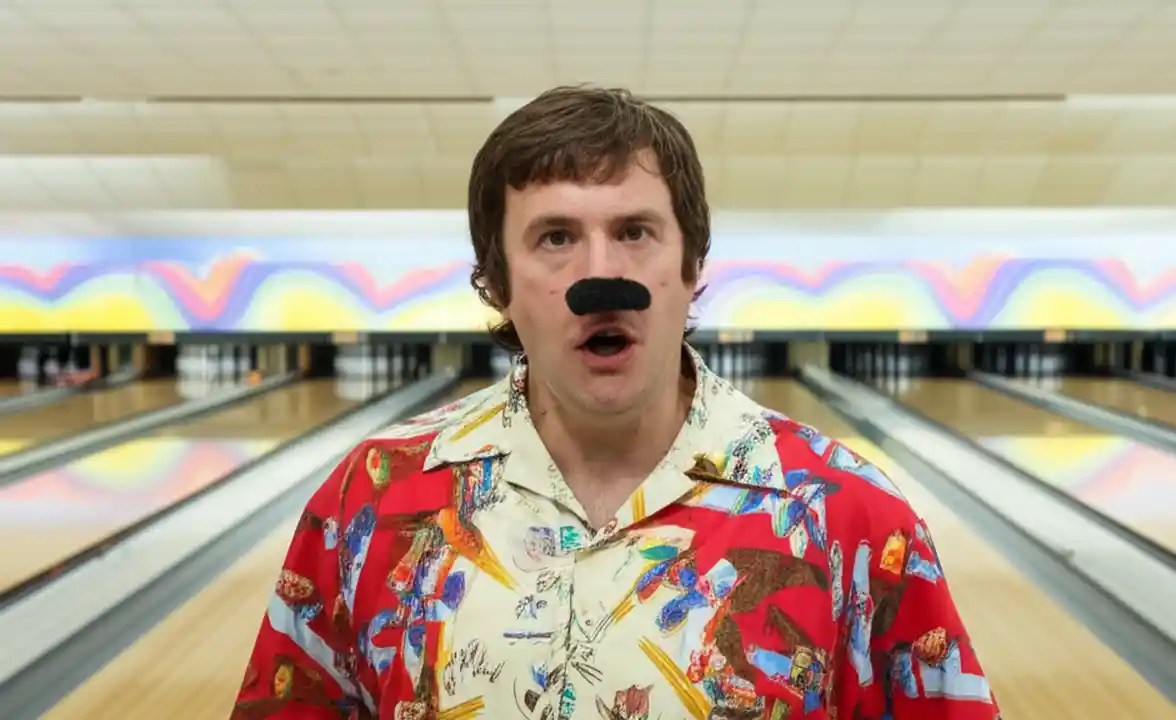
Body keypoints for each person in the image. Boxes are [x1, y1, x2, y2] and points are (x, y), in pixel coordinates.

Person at [232, 85, 1001, 720]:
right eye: (556, 238)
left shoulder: (849, 517)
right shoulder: (369, 502)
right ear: (495, 282)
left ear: (692, 266)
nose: (602, 280)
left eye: (636, 232)